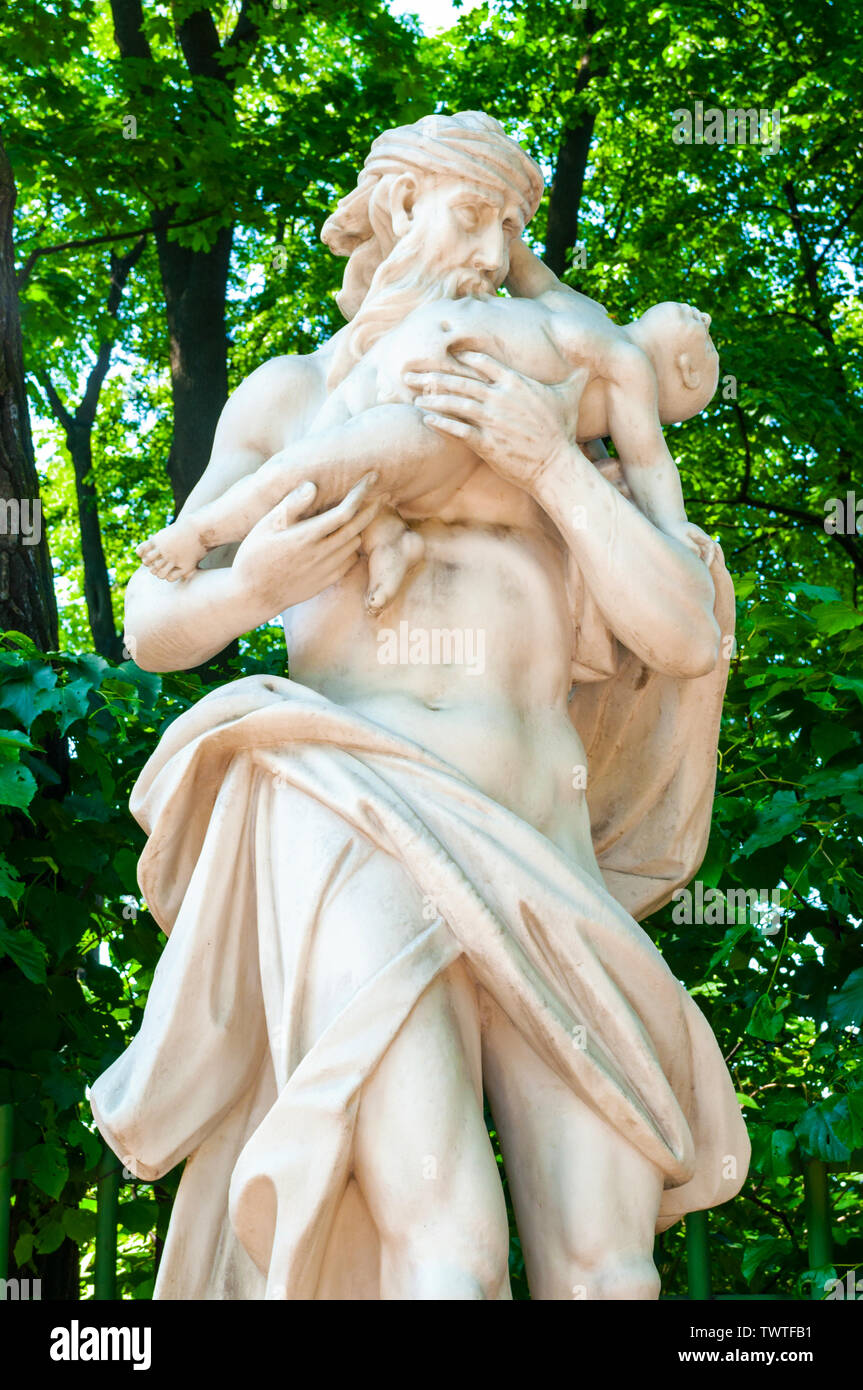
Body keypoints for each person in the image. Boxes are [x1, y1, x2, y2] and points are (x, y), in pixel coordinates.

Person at [90, 111, 749, 1301]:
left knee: (608, 1267)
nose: (492, 250)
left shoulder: (571, 394)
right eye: (468, 213)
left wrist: (549, 466)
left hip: (543, 846)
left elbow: (683, 634)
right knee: (444, 1250)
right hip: (355, 805)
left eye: (510, 224)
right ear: (394, 208)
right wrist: (255, 584)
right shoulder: (293, 397)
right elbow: (152, 617)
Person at [136, 270, 719, 614]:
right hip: (391, 377)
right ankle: (387, 536)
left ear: (686, 373)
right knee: (329, 455)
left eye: (703, 337)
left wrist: (672, 526)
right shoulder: (581, 307)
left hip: (438, 411)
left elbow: (648, 461)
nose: (703, 315)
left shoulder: (627, 369)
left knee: (308, 467)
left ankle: (201, 533)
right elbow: (523, 264)